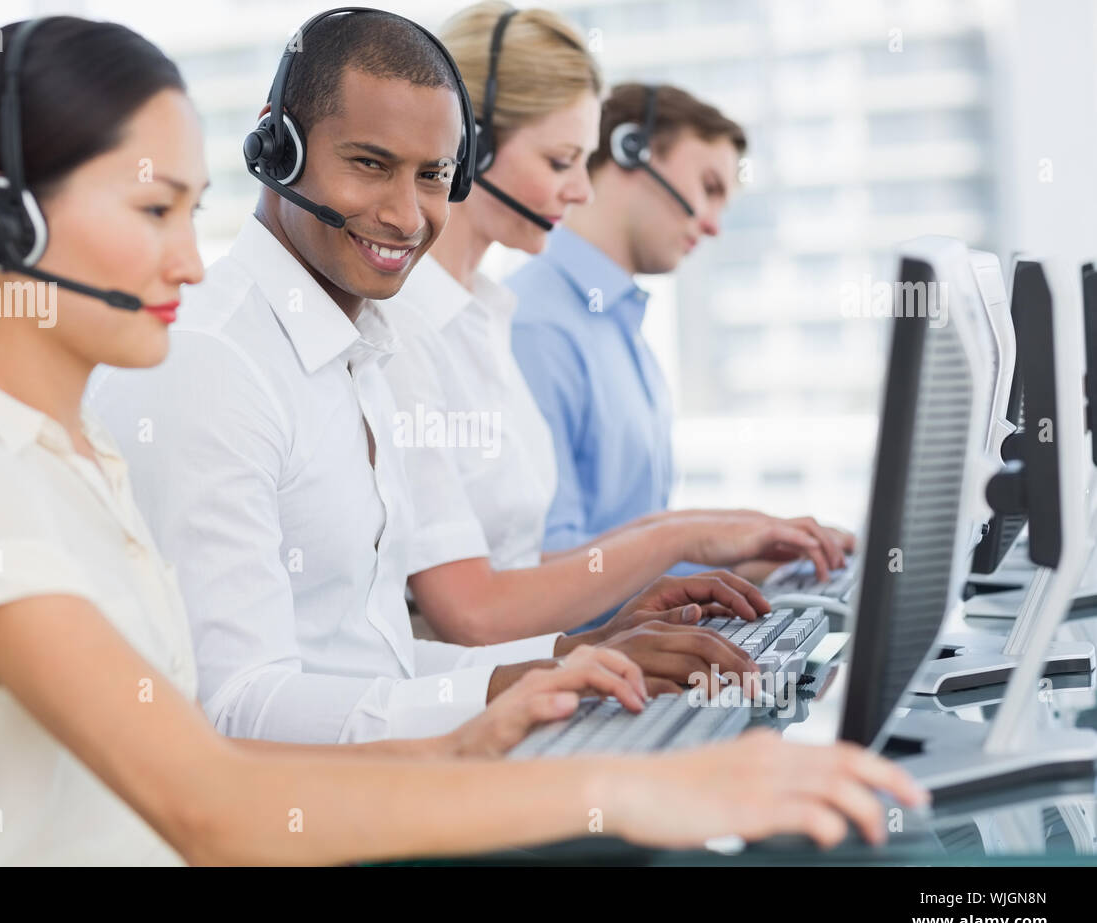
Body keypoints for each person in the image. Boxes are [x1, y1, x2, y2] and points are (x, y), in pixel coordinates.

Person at [0, 14, 926, 867]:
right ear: (8, 223)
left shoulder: (62, 468)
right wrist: (619, 789)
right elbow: (211, 795)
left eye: (194, 213)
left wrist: (499, 717)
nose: (190, 260)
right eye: (153, 213)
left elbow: (224, 770)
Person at [91, 8, 778, 747]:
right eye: (369, 164)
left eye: (433, 177)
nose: (405, 214)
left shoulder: (360, 345)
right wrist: (521, 685)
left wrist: (572, 656)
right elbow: (231, 709)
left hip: (379, 780)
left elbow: (368, 660)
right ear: (275, 144)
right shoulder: (213, 363)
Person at [379, 2, 850, 647]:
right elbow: (471, 610)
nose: (580, 190)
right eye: (560, 161)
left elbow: (520, 568)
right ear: (470, 147)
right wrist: (681, 538)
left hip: (518, 679)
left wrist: (712, 550)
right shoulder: (415, 326)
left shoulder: (484, 316)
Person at [506, 82, 846, 585]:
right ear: (631, 151)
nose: (712, 226)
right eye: (709, 187)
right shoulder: (534, 326)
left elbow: (622, 552)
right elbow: (544, 575)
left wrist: (752, 562)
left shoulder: (624, 330)